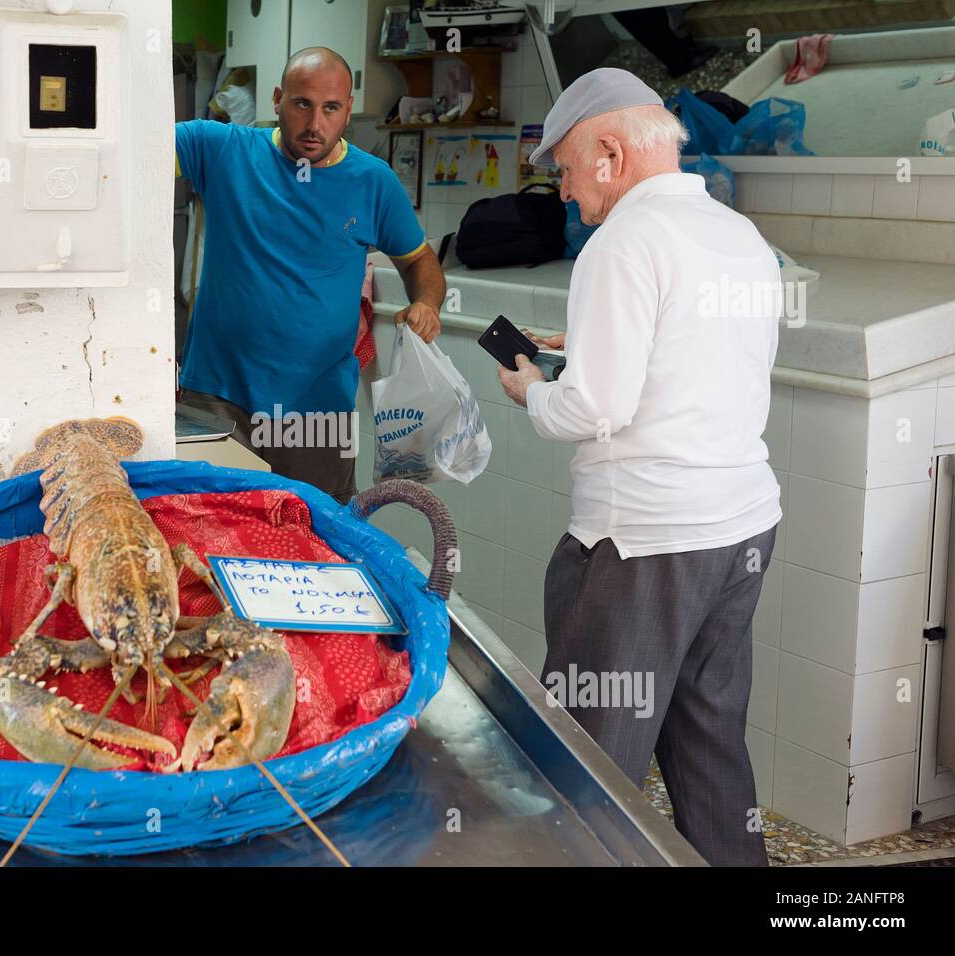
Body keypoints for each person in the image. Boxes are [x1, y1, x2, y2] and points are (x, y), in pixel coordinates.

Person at [496, 68, 782, 866]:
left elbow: (591, 411)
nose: (560, 192)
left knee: (589, 759)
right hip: (740, 531)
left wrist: (530, 390)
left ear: (612, 154)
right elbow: (699, 364)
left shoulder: (620, 244)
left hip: (644, 544)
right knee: (708, 741)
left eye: (563, 169)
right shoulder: (738, 235)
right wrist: (586, 348)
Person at [175, 47, 446, 504]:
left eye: (331, 108)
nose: (315, 123)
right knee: (207, 541)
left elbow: (420, 261)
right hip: (218, 397)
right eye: (302, 104)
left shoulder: (373, 181)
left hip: (317, 410)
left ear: (348, 109)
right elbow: (129, 149)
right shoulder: (220, 149)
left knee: (318, 550)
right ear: (278, 99)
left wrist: (427, 302)